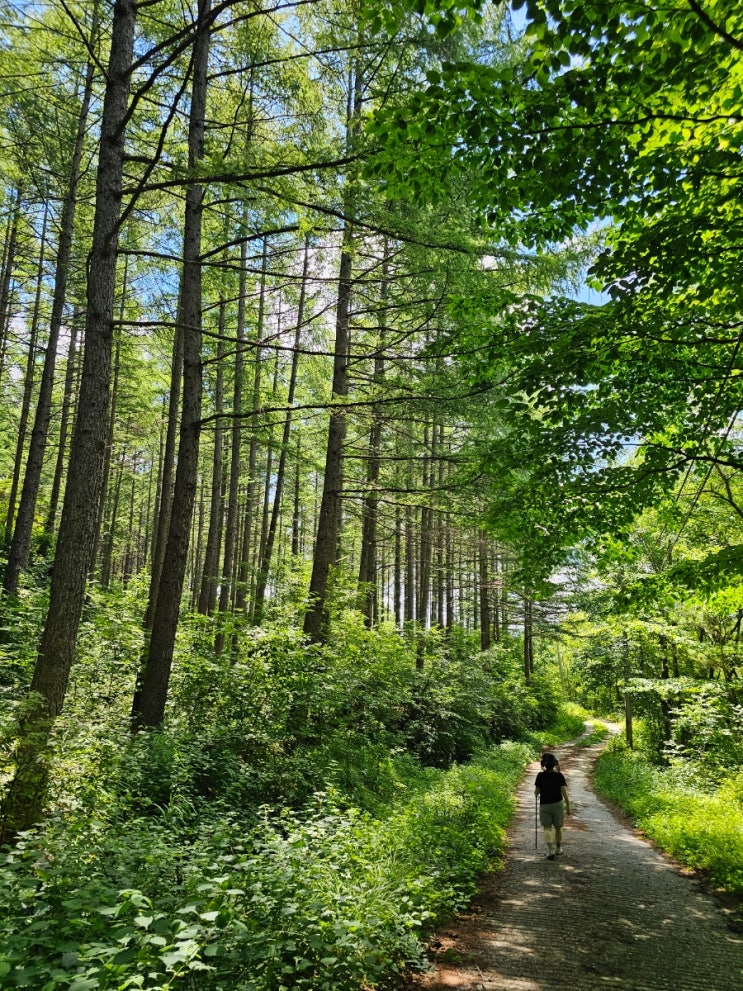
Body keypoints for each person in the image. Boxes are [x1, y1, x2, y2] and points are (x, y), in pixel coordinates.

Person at [535, 752, 570, 860]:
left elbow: (536, 791)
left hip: (545, 805)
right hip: (558, 804)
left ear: (543, 764)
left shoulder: (540, 776)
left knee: (547, 827)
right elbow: (564, 792)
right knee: (558, 827)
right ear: (554, 763)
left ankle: (550, 849)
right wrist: (568, 805)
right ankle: (558, 849)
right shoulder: (559, 776)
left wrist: (536, 793)